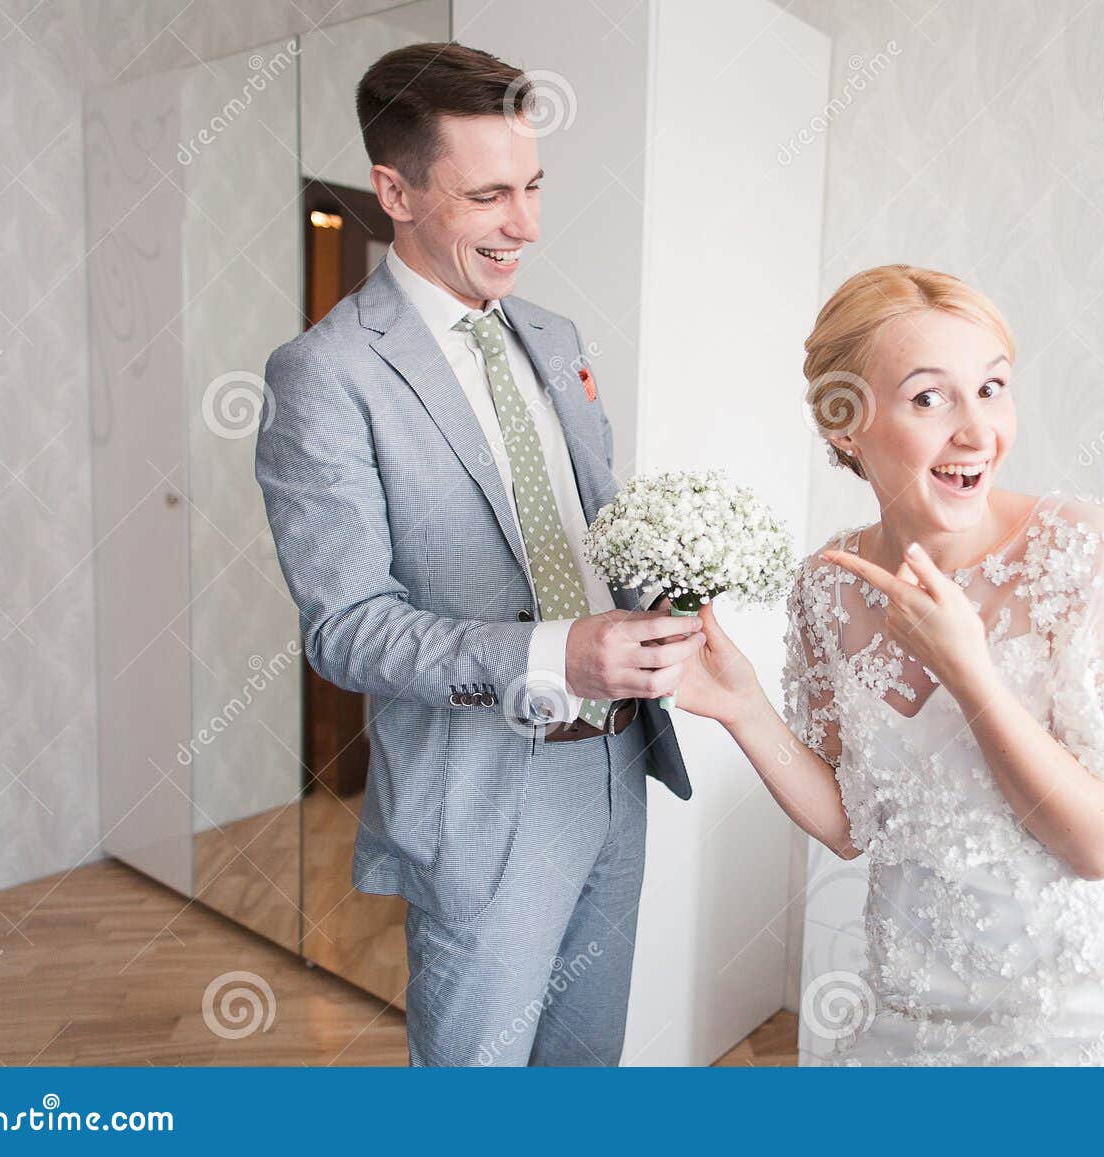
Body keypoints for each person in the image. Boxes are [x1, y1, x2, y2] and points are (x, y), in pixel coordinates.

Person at [254, 42, 704, 1066]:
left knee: (584, 1072)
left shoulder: (554, 333)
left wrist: (669, 594)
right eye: (490, 194)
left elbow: (587, 531)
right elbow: (347, 628)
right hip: (483, 799)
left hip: (619, 764)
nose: (527, 224)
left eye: (534, 186)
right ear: (394, 191)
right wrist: (556, 657)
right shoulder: (325, 375)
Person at [674, 264, 1104, 1065]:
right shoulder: (828, 585)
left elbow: (1102, 848)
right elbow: (854, 826)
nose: (976, 432)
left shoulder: (1081, 551)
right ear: (844, 424)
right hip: (909, 1018)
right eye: (930, 398)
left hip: (1083, 1019)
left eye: (992, 388)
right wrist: (745, 707)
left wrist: (971, 674)